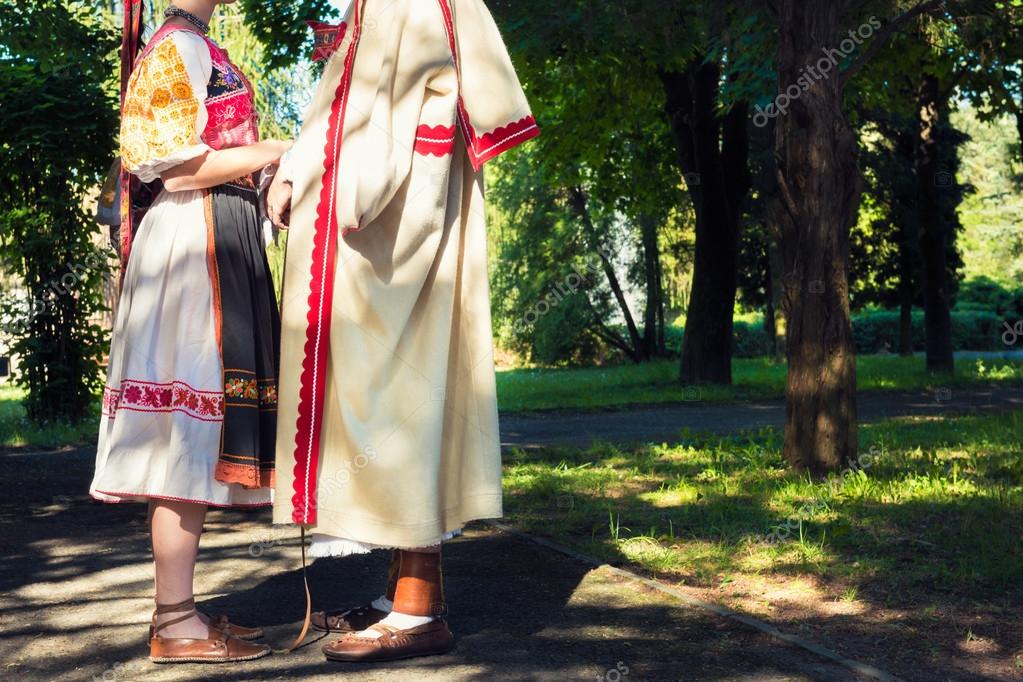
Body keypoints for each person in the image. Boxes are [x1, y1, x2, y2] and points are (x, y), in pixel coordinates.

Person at [266, 0, 539, 663]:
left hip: (395, 223)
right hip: (390, 212)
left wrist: (331, 185)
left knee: (398, 395)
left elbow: (405, 107)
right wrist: (303, 167)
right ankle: (405, 595)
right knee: (386, 391)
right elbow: (354, 100)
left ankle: (420, 611)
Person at [89, 0, 287, 664]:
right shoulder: (177, 46)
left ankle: (181, 612)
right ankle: (173, 622)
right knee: (185, 430)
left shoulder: (193, 43)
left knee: (196, 432)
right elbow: (175, 167)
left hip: (213, 237)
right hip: (191, 243)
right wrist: (285, 150)